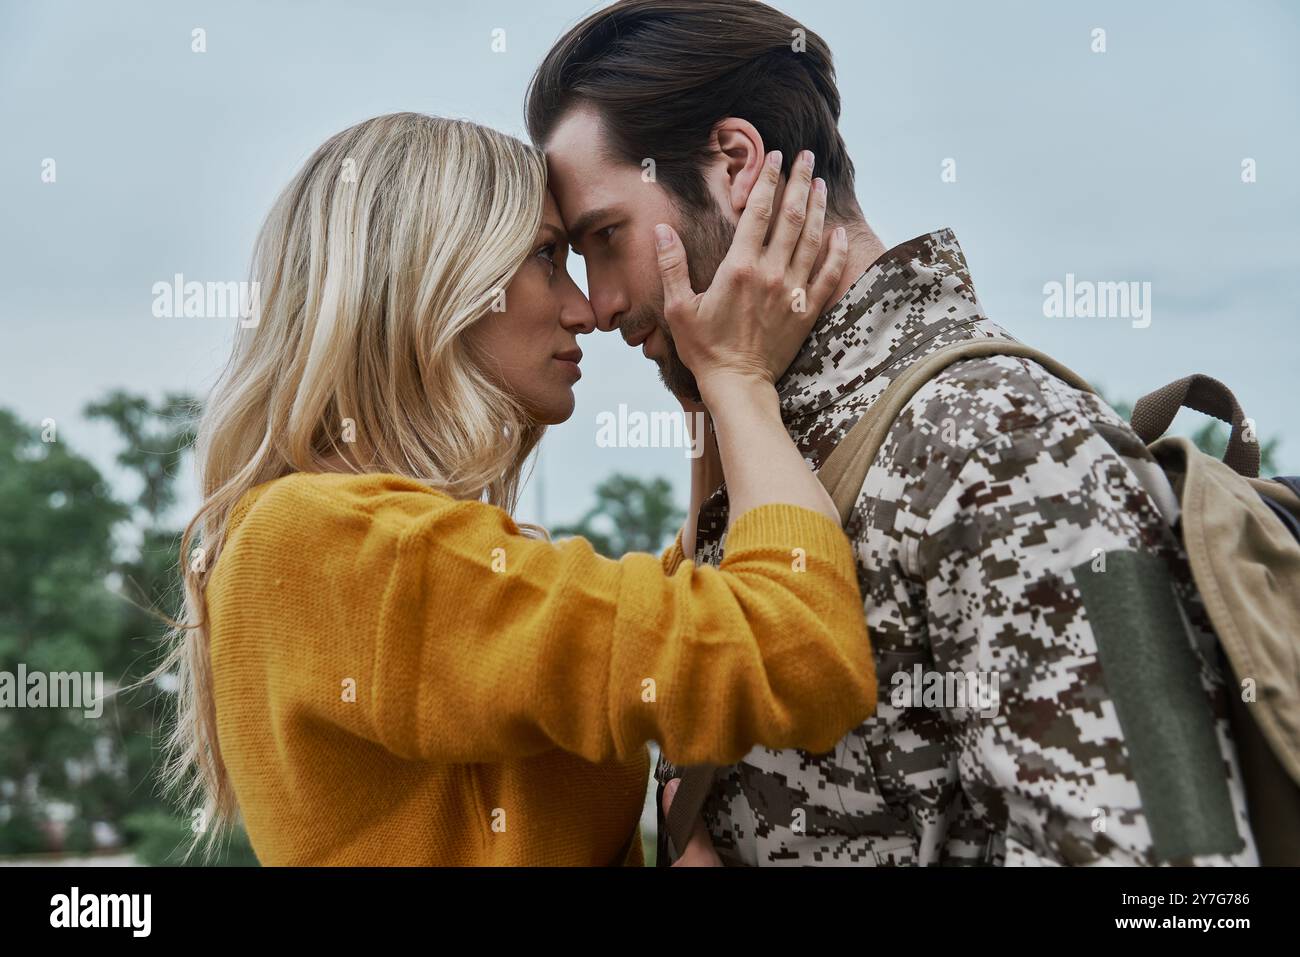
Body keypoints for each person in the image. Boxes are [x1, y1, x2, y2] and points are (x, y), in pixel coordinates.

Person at [527, 0, 1259, 865]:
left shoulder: (993, 436)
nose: (600, 302)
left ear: (734, 163)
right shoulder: (764, 432)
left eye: (605, 237)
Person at [158, 112, 878, 865]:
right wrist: (740, 378)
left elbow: (681, 615)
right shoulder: (334, 543)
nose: (584, 307)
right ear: (428, 277)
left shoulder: (335, 543)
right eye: (547, 256)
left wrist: (702, 383)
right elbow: (797, 652)